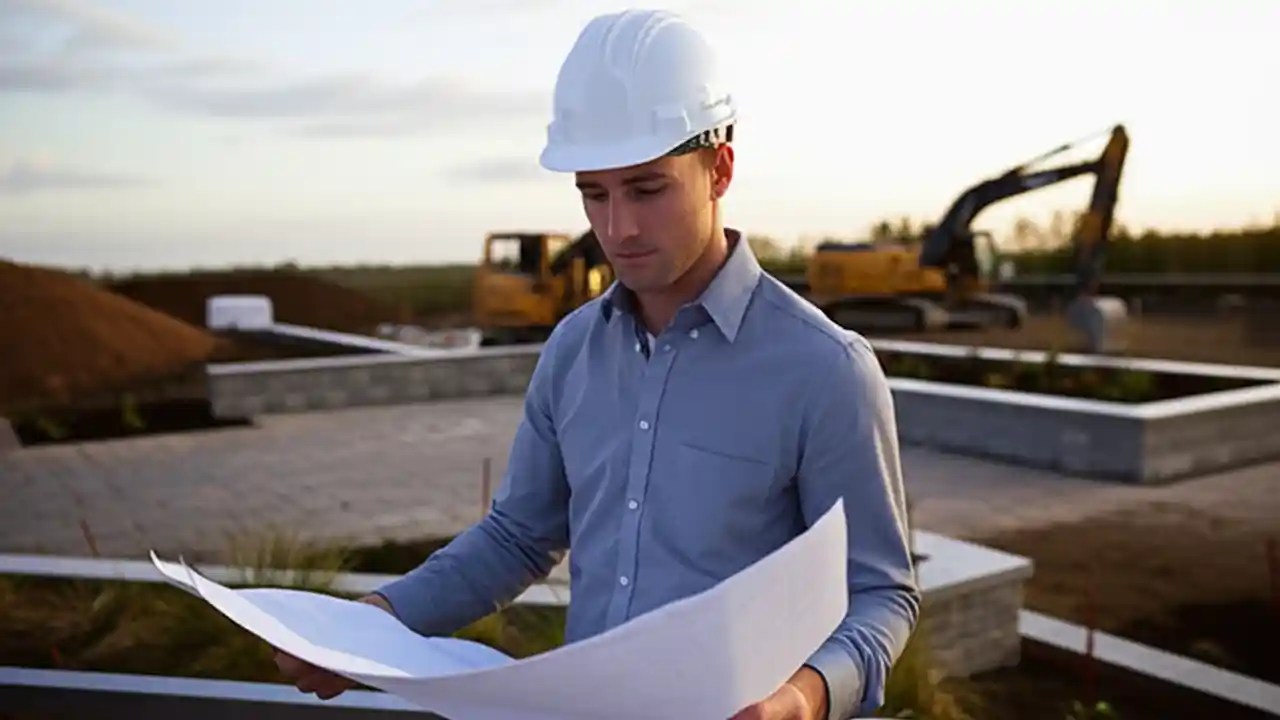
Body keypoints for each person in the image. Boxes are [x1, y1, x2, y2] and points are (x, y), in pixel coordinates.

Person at [275, 8, 920, 719]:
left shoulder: (826, 371)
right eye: (594, 193)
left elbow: (880, 595)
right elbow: (517, 537)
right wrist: (373, 622)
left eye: (647, 189)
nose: (618, 229)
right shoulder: (572, 350)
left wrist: (801, 700)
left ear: (720, 169)